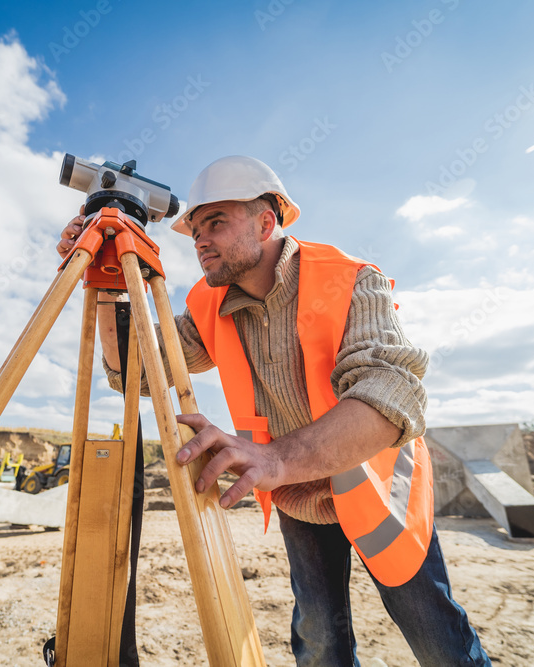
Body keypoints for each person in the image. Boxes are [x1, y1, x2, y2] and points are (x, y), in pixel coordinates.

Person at [56, 156, 491, 666]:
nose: (199, 239)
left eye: (215, 222)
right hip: (298, 497)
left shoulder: (349, 279)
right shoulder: (208, 304)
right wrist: (106, 278)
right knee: (321, 641)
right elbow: (134, 366)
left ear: (266, 221)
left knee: (437, 637)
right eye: (195, 228)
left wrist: (276, 459)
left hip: (377, 487)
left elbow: (391, 393)